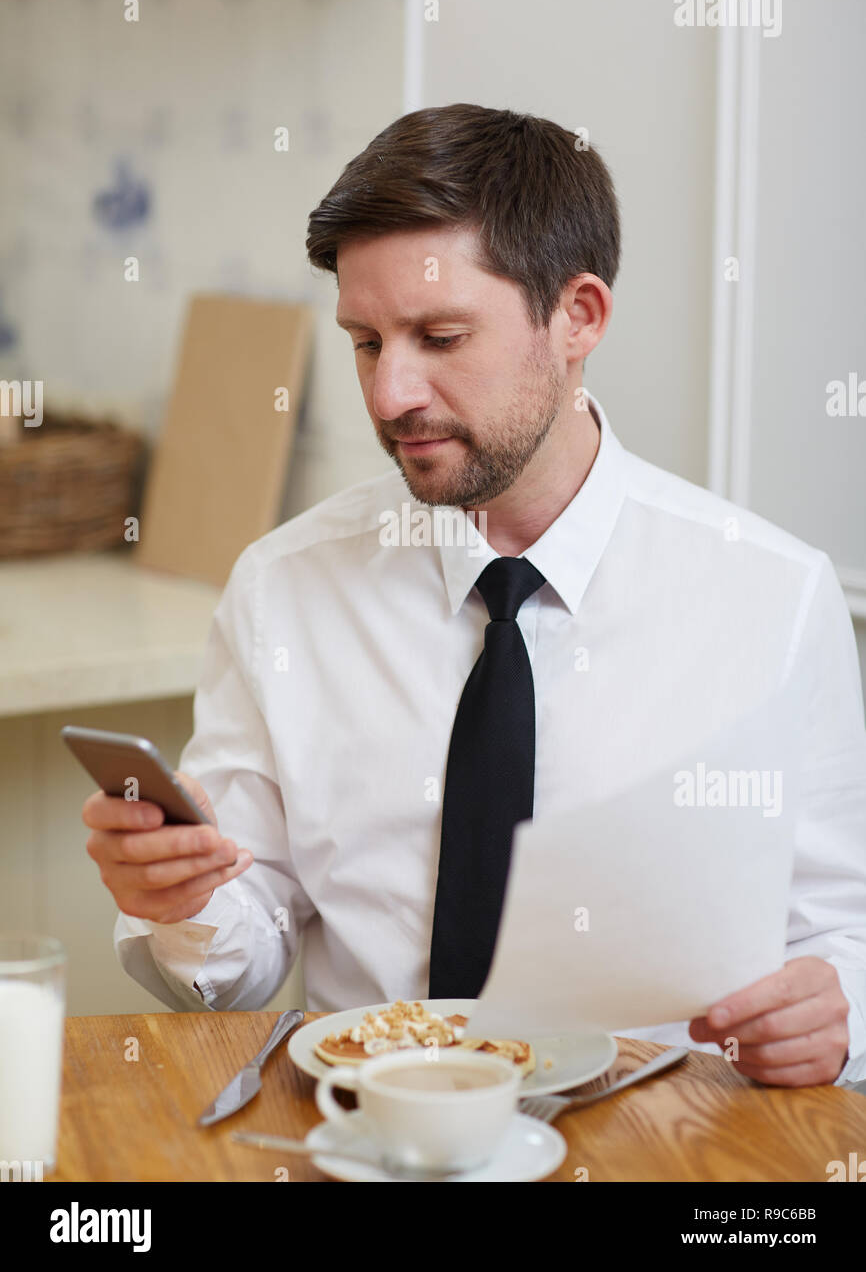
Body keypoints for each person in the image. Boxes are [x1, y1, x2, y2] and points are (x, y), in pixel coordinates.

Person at [84, 104, 866, 1087]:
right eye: (365, 342)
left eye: (439, 336)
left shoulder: (773, 599)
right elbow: (241, 962)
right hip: (370, 1137)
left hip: (663, 1143)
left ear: (577, 317)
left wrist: (833, 1018)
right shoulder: (282, 589)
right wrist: (180, 903)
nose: (387, 395)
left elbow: (842, 936)